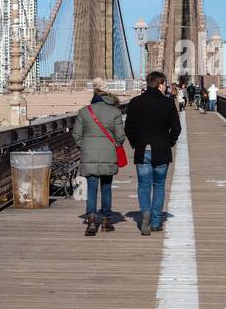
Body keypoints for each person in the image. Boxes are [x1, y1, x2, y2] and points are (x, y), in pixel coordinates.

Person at [124, 71, 182, 236]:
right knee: (159, 186)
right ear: (160, 84)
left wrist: (136, 143)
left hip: (143, 150)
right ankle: (156, 221)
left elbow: (128, 128)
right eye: (164, 85)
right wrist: (169, 142)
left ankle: (145, 214)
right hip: (162, 151)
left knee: (143, 185)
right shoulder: (168, 103)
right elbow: (177, 128)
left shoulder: (135, 102)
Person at [71, 76, 127, 236]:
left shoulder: (84, 112)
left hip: (89, 155)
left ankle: (91, 219)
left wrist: (85, 147)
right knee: (106, 188)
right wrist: (113, 146)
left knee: (92, 188)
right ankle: (106, 220)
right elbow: (121, 137)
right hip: (109, 155)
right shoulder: (115, 112)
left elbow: (76, 135)